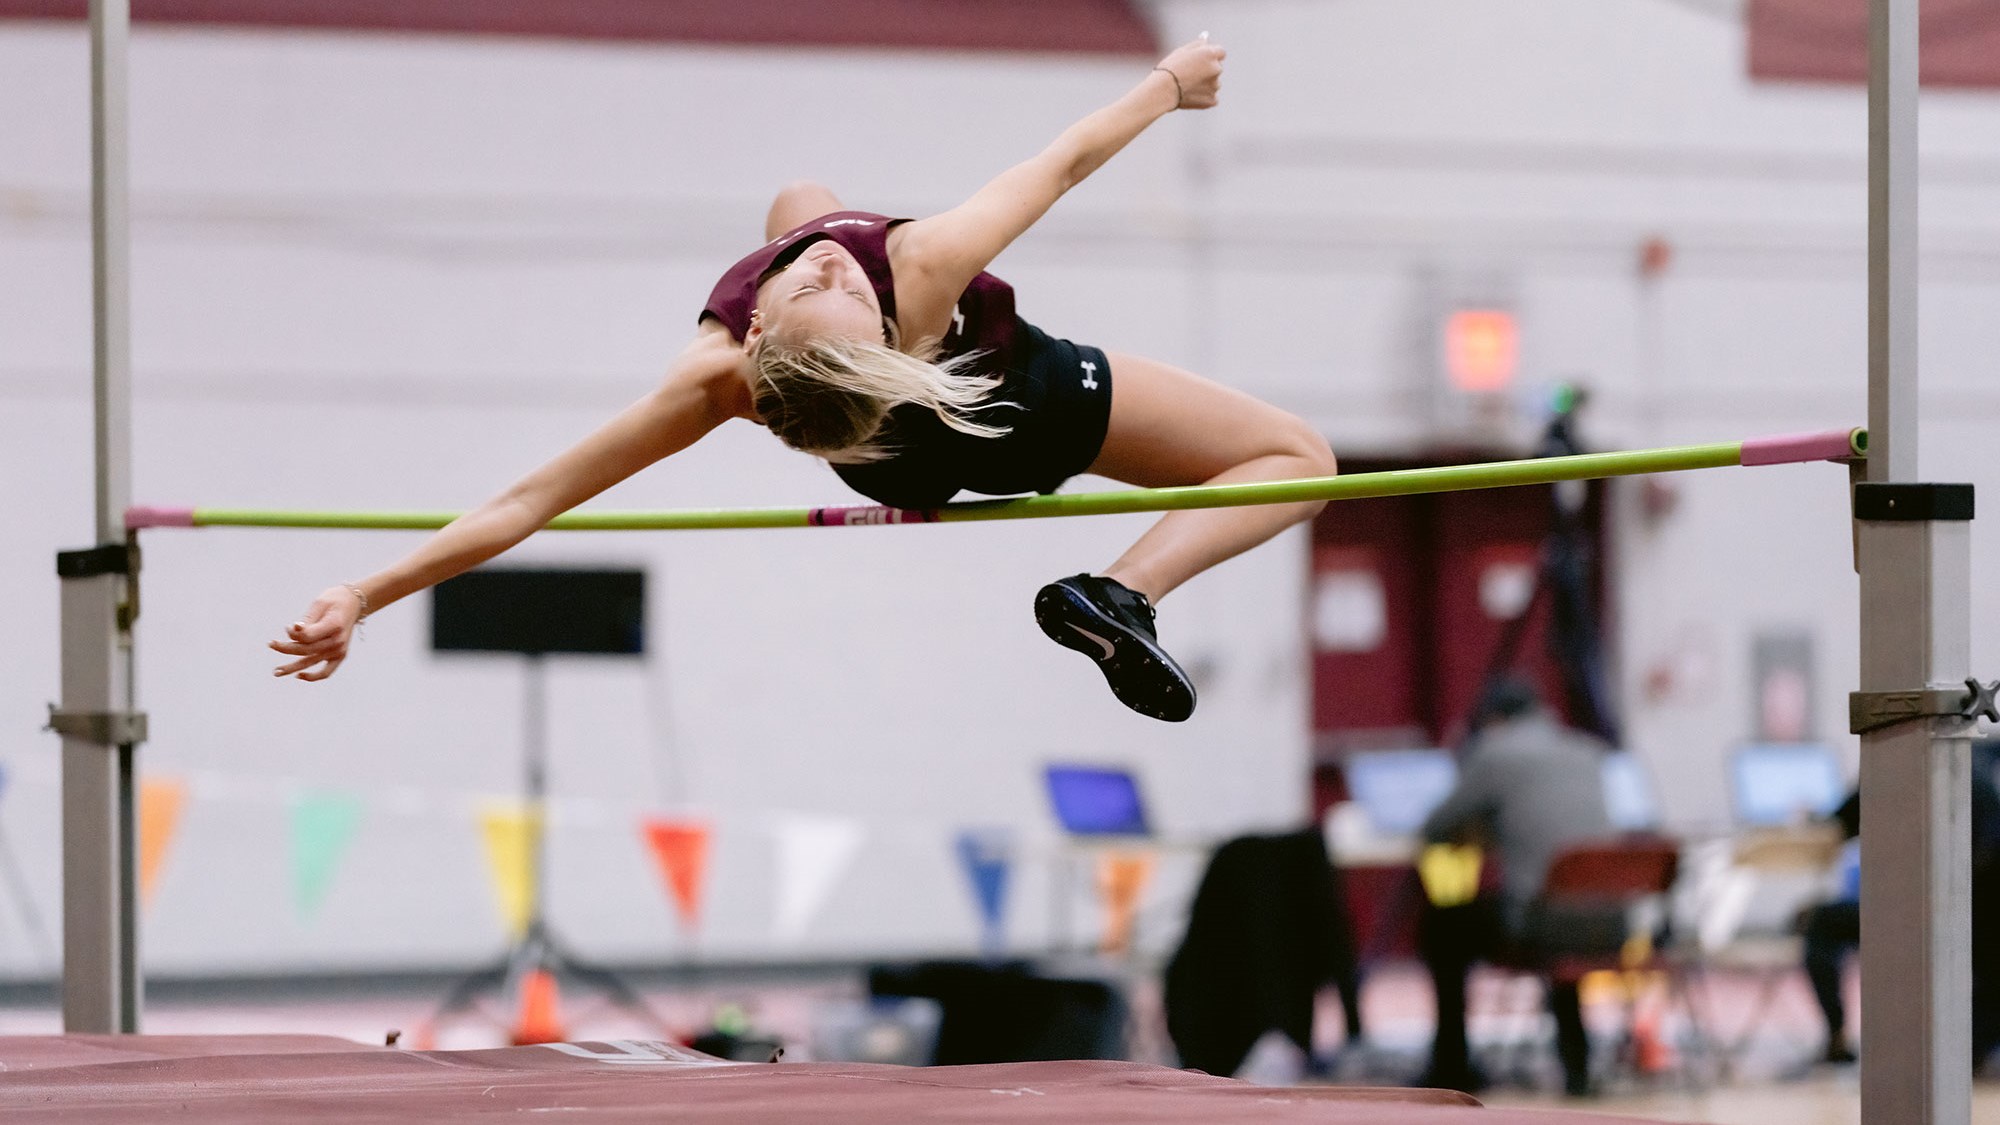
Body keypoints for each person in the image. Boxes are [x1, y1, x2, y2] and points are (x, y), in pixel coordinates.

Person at [265, 34, 1336, 723]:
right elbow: (1060, 161)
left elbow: (526, 501)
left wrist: (365, 592)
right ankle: (1119, 593)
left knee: (800, 190)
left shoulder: (717, 373)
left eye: (820, 269)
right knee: (1295, 458)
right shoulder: (916, 270)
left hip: (893, 458)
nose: (825, 257)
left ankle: (1089, 563)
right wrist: (1168, 84)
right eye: (826, 270)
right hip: (1026, 403)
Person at [1413, 677, 1614, 1097]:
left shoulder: (1494, 753)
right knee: (1564, 911)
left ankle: (1451, 1065)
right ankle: (1575, 1061)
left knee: (1442, 925)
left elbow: (1435, 828)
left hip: (1540, 925)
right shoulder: (1587, 751)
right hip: (1611, 924)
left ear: (1495, 720)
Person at [1799, 737, 2000, 1068]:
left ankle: (1836, 1039)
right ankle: (1976, 1046)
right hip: (1979, 920)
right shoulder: (1976, 760)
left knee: (1821, 921)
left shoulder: (1891, 761)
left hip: (1927, 913)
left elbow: (1835, 827)